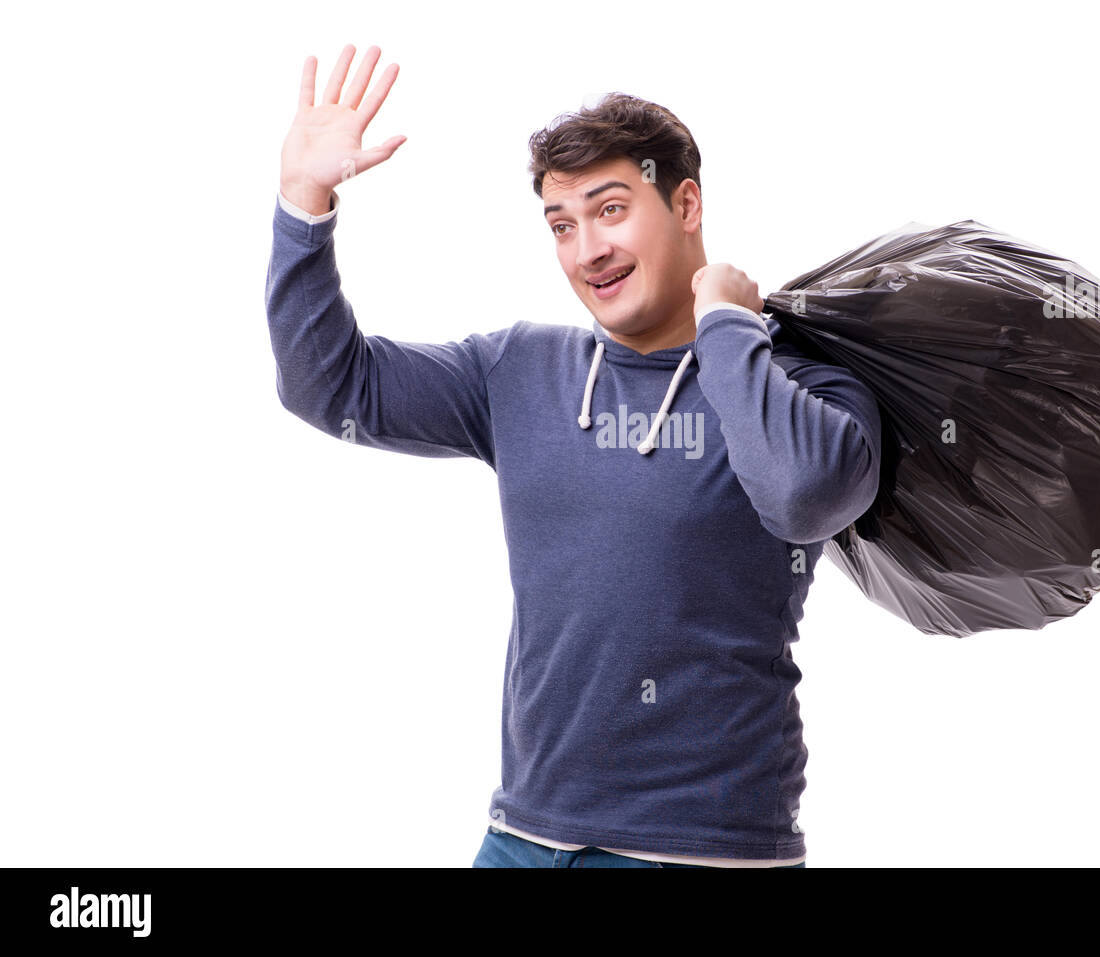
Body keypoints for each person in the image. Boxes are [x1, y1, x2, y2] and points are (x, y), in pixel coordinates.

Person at [266, 44, 882, 868]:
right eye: (562, 225)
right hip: (520, 839)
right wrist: (303, 205)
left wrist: (729, 328)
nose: (587, 249)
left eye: (611, 210)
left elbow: (804, 495)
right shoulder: (519, 369)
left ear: (686, 203)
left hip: (702, 853)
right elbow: (331, 387)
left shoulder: (798, 383)